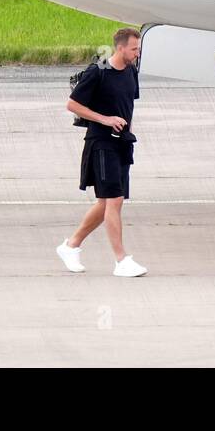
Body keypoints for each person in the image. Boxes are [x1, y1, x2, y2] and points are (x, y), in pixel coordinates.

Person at [56, 27, 147, 278]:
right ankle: (121, 260)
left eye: (138, 49)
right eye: (134, 49)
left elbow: (128, 106)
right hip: (100, 143)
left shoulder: (131, 71)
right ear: (120, 48)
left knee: (106, 202)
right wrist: (105, 120)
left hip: (122, 143)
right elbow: (72, 104)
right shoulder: (99, 72)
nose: (137, 53)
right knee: (114, 200)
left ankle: (70, 246)